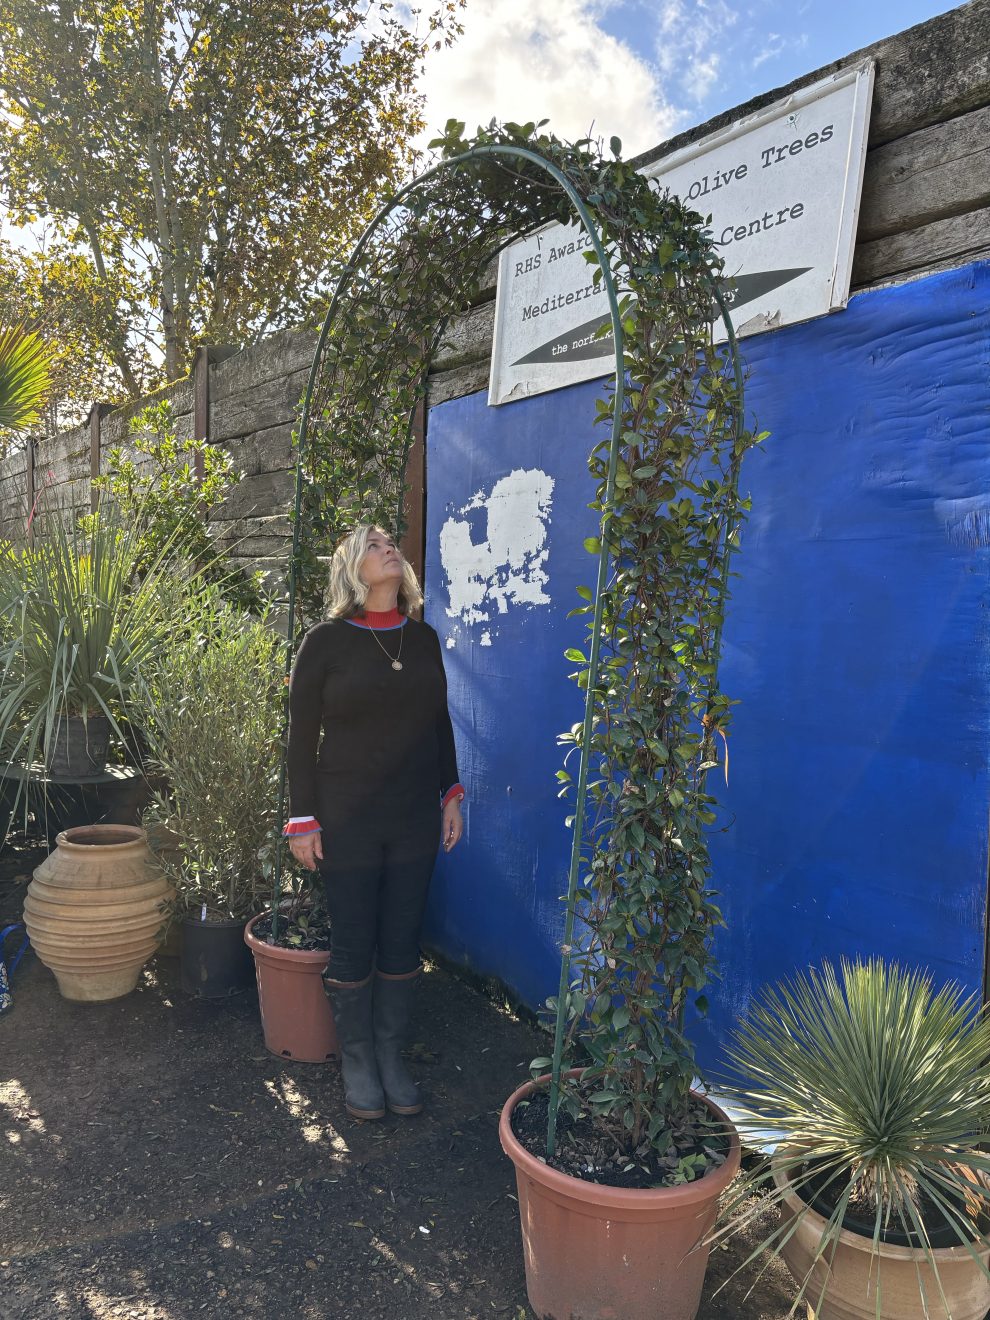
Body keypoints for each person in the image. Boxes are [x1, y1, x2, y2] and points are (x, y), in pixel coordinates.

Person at [283, 525, 464, 1120]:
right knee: (355, 935)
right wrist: (301, 820)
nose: (390, 549)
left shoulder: (425, 639)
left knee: (402, 935)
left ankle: (390, 1055)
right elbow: (301, 737)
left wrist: (451, 795)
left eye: (391, 543)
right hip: (347, 818)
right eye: (375, 544)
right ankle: (357, 1059)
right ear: (353, 569)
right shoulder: (325, 642)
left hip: (413, 816)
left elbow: (440, 723)